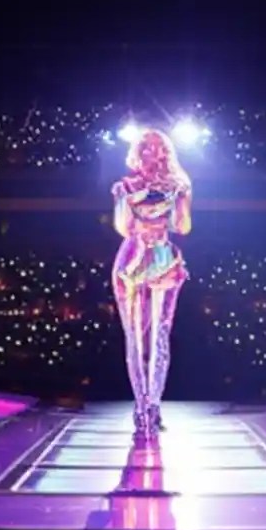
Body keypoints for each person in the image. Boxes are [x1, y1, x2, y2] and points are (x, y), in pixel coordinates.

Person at [110, 128, 193, 435]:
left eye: (158, 149)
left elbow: (182, 226)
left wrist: (183, 196)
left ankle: (153, 403)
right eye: (145, 149)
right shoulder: (126, 185)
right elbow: (123, 227)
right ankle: (141, 403)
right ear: (137, 153)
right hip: (133, 260)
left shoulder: (176, 185)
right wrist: (127, 200)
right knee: (135, 337)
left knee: (159, 335)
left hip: (163, 260)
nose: (151, 155)